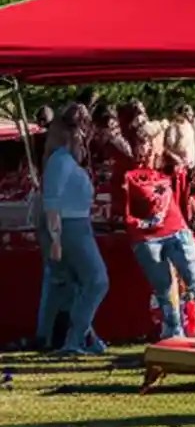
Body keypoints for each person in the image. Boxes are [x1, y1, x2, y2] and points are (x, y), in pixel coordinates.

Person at [123, 133, 195, 339]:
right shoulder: (128, 174)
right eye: (140, 144)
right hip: (147, 238)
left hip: (176, 230)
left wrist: (165, 150)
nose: (145, 150)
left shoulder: (166, 167)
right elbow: (126, 207)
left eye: (148, 144)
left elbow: (188, 171)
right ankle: (174, 333)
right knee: (165, 290)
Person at [41, 104, 109, 356]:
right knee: (97, 281)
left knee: (82, 285)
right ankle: (76, 338)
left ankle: (84, 336)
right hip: (71, 226)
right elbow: (52, 201)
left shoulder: (66, 160)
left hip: (78, 224)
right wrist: (55, 238)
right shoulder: (60, 161)